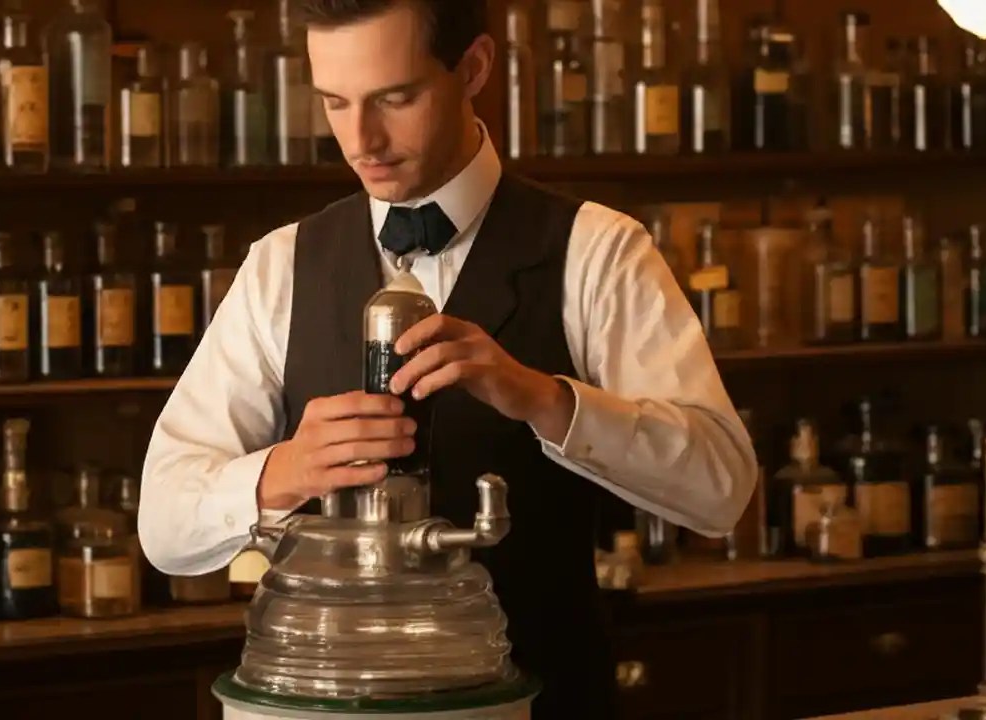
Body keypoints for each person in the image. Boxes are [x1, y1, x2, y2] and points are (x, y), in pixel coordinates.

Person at [138, 0, 757, 716]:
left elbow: (723, 492)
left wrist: (545, 401)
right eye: (335, 103)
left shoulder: (598, 252)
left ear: (474, 69)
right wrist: (283, 469)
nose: (361, 139)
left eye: (394, 98)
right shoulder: (281, 263)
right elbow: (163, 526)